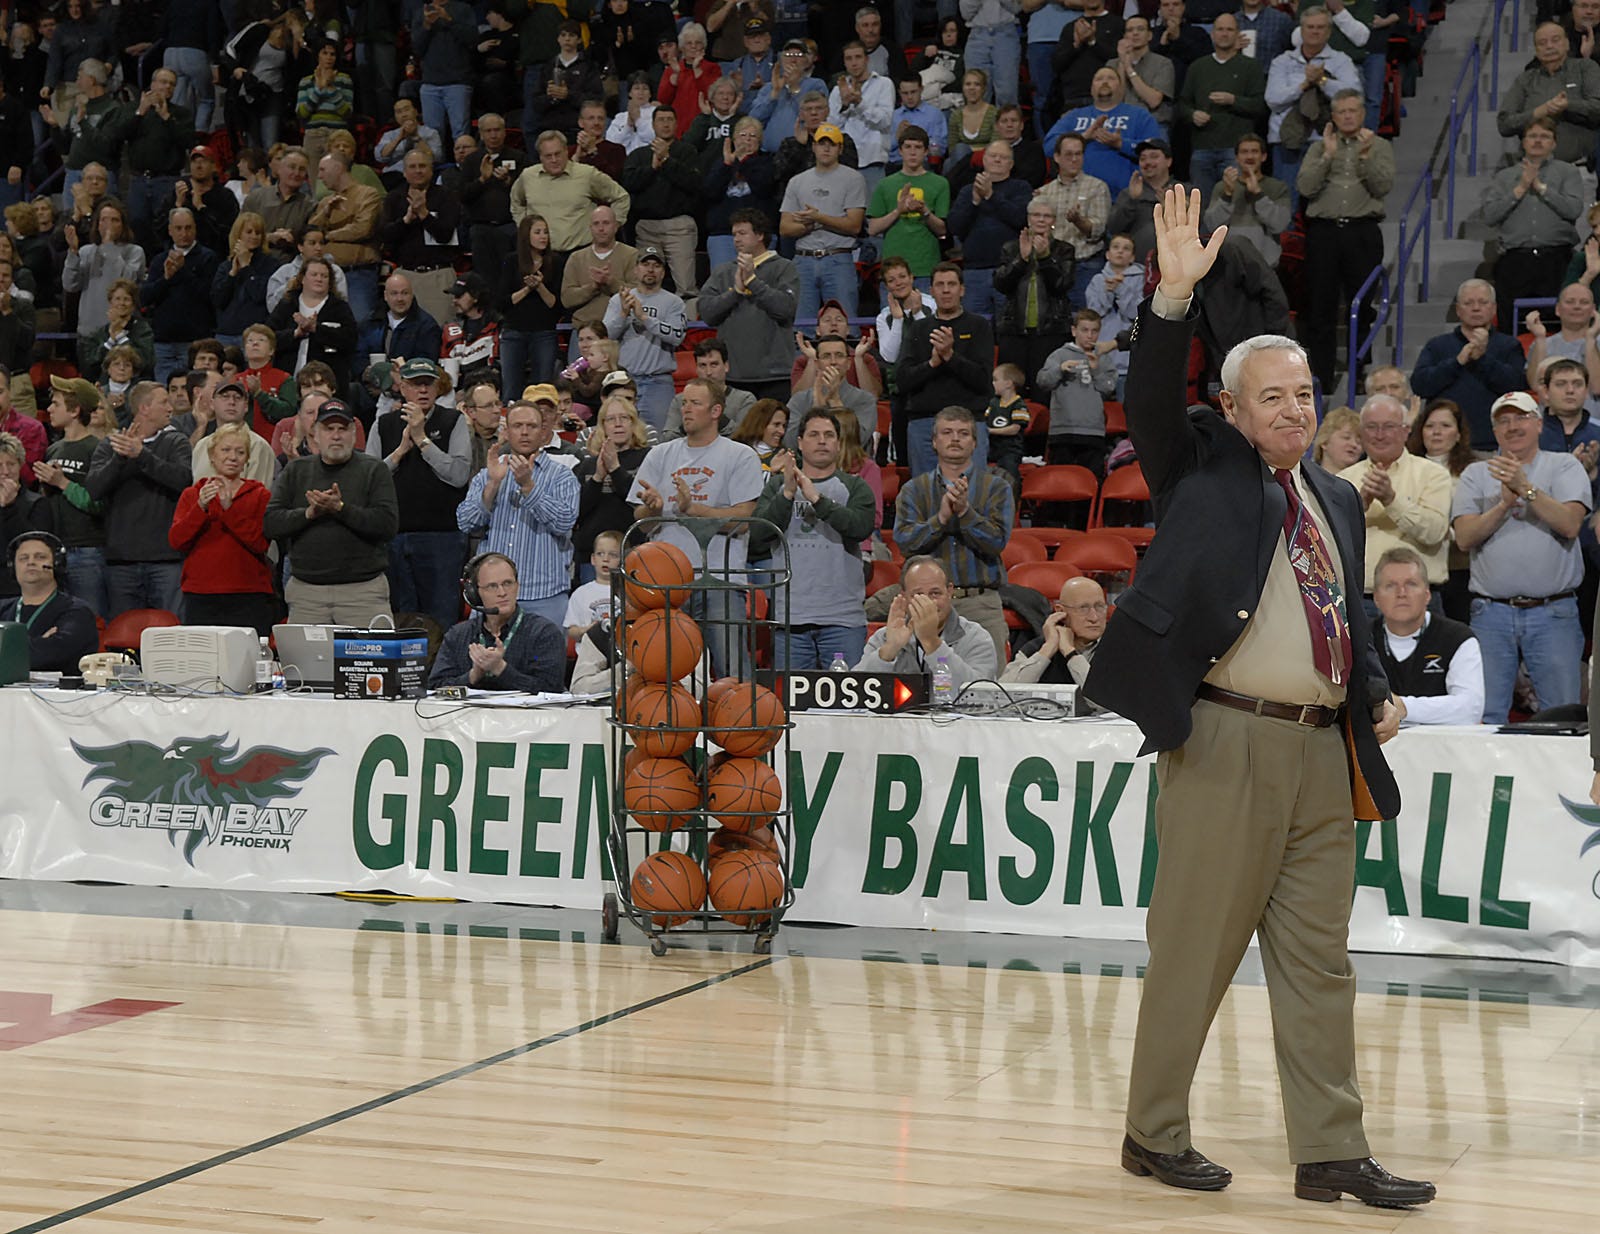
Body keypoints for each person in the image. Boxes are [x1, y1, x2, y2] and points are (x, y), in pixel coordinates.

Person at [1084, 187, 1432, 1210]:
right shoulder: (1200, 467)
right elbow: (1151, 397)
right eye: (1270, 397)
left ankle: (1330, 1149)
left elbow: (1349, 616)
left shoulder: (1330, 493)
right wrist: (1171, 302)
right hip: (1227, 744)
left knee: (1321, 964)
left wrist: (1369, 691)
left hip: (1325, 755)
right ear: (1234, 410)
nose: (1291, 409)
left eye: (1301, 393)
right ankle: (1153, 1134)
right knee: (1192, 953)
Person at [1451, 390, 1591, 723]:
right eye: (1503, 420)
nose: (1513, 426)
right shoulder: (1475, 474)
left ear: (1540, 424)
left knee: (1562, 716)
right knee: (1484, 715)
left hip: (1553, 612)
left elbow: (1571, 524)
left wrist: (1525, 489)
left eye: (1521, 418)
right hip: (1491, 614)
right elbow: (1465, 538)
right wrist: (1502, 505)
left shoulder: (1564, 465)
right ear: (1495, 431)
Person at [629, 376, 765, 676]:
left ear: (715, 411)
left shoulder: (739, 455)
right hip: (666, 585)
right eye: (684, 403)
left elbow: (743, 521)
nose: (686, 409)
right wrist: (652, 509)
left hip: (721, 582)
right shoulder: (660, 454)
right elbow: (641, 520)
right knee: (663, 673)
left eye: (695, 403)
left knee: (733, 672)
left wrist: (693, 509)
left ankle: (739, 722)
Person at [749, 406, 876, 669]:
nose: (821, 441)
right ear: (799, 442)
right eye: (814, 434)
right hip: (790, 619)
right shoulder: (776, 486)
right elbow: (759, 535)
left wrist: (817, 499)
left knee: (847, 708)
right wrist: (787, 495)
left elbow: (860, 527)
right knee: (792, 709)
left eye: (829, 435)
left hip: (842, 621)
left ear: (839, 444)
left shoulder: (854, 487)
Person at [893, 405, 1013, 662]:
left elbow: (996, 542)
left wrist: (966, 513)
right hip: (925, 605)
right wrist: (942, 519)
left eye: (963, 433)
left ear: (974, 443)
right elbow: (906, 543)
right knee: (919, 682)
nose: (955, 438)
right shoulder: (914, 490)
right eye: (947, 432)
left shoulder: (997, 488)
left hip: (981, 602)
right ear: (934, 442)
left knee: (989, 689)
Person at [264, 398, 399, 627]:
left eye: (342, 428)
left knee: (369, 663)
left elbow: (387, 525)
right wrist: (308, 514)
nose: (336, 436)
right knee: (303, 663)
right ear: (315, 434)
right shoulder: (296, 470)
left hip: (362, 594)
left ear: (354, 434)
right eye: (328, 429)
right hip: (307, 595)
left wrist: (340, 509)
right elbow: (271, 523)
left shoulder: (374, 469)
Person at [1296, 88, 1395, 396]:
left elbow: (1383, 186)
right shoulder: (1318, 148)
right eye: (1342, 112)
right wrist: (1327, 155)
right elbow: (1305, 187)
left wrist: (1364, 158)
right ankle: (1321, 379)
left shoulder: (1379, 146)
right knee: (1321, 308)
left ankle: (1359, 372)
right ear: (1334, 117)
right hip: (1324, 233)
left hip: (1362, 232)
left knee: (1362, 305)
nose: (1349, 116)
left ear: (1363, 114)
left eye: (1354, 110)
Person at [456, 392, 581, 628]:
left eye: (531, 426)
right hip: (493, 595)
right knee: (487, 662)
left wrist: (528, 487)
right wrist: (492, 485)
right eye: (517, 426)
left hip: (545, 594)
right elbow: (465, 522)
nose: (524, 432)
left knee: (544, 664)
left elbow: (565, 522)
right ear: (507, 431)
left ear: (543, 431)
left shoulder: (562, 475)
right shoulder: (489, 474)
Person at [367, 357, 472, 627]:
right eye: (415, 384)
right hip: (394, 538)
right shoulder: (383, 424)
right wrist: (401, 451)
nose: (423, 390)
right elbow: (369, 479)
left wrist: (423, 440)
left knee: (441, 619)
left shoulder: (453, 421)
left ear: (438, 388)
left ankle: (440, 670)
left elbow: (459, 476)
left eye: (428, 384)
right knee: (400, 619)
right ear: (402, 388)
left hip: (442, 538)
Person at [80, 379, 192, 615]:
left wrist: (142, 455)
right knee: (123, 637)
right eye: (164, 402)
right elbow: (94, 488)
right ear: (144, 408)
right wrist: (120, 459)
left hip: (166, 561)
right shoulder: (111, 445)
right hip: (122, 562)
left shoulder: (176, 441)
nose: (170, 408)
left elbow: (183, 480)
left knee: (173, 636)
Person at [1337, 395, 1454, 606]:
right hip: (1360, 601)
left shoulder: (1433, 474)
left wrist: (1391, 500)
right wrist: (1359, 507)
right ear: (1362, 433)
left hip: (1419, 600)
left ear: (1405, 430)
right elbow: (1331, 541)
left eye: (1389, 426)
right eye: (1372, 427)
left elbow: (1434, 532)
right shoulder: (1343, 479)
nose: (1380, 435)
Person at [168, 422, 277, 635]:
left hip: (248, 593)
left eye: (240, 451)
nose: (232, 457)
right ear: (212, 456)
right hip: (201, 593)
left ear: (247, 459)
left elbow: (260, 542)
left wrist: (229, 510)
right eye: (225, 450)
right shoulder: (193, 495)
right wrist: (200, 508)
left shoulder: (260, 495)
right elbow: (177, 541)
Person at [1482, 119, 1585, 338]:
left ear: (1554, 143)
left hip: (1558, 259)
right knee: (1510, 325)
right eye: (1532, 136)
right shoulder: (1505, 177)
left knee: (1563, 322)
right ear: (1523, 142)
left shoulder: (1567, 173)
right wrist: (1520, 189)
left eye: (1545, 136)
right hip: (1516, 259)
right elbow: (1490, 215)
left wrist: (1540, 188)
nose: (1538, 141)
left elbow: (1573, 209)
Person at [1369, 545, 1484, 726]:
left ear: (1428, 594)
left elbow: (1471, 710)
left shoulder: (1458, 638)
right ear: (1376, 598)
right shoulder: (1359, 640)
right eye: (1390, 586)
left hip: (1443, 748)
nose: (1401, 593)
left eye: (1411, 584)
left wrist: (1403, 706)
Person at [898, 263, 995, 476]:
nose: (946, 290)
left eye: (951, 284)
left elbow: (983, 381)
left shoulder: (979, 326)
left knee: (972, 496)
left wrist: (950, 356)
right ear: (931, 291)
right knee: (925, 497)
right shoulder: (918, 328)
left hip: (969, 423)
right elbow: (903, 381)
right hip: (924, 424)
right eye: (939, 285)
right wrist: (933, 363)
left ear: (962, 289)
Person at [1411, 280, 1529, 450]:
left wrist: (1482, 359)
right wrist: (1457, 362)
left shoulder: (1509, 345)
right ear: (1458, 310)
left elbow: (1515, 386)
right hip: (1445, 447)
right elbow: (1420, 386)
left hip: (1493, 445)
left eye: (1483, 302)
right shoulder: (1437, 345)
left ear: (1494, 309)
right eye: (1468, 303)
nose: (1476, 308)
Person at [698, 209, 800, 403]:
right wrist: (735, 291)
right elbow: (707, 312)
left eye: (742, 233)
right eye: (734, 234)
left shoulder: (784, 268)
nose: (736, 239)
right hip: (733, 376)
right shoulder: (724, 271)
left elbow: (785, 309)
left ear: (760, 235)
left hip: (775, 377)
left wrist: (752, 281)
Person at [428, 551, 567, 692]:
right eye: (492, 586)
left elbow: (551, 689)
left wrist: (501, 669)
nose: (502, 592)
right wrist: (473, 676)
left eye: (507, 583)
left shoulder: (544, 633)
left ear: (517, 586)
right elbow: (435, 687)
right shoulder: (458, 635)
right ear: (475, 593)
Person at [1264, 7, 1358, 214]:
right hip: (1286, 142)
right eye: (1310, 27)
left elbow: (1352, 97)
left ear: (1329, 31)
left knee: (1326, 204)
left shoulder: (1341, 61)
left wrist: (1323, 81)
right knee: (1285, 203)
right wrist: (1304, 85)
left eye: (1320, 27)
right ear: (1301, 29)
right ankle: (1286, 244)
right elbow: (1273, 99)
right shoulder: (1282, 62)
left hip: (1325, 142)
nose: (1314, 32)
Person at [854, 554, 998, 682]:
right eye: (918, 595)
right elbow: (856, 690)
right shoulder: (884, 638)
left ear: (949, 591)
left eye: (935, 593)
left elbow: (979, 696)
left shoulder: (976, 637)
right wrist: (889, 650)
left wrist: (932, 643)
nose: (928, 603)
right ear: (904, 596)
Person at [32, 376, 108, 616]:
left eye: (56, 403)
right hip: (55, 549)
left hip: (86, 549)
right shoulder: (54, 448)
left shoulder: (97, 449)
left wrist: (62, 482)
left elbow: (99, 502)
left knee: (90, 618)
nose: (49, 409)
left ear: (75, 410)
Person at [779, 124, 868, 320]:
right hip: (803, 260)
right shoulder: (797, 181)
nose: (826, 149)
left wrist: (818, 218)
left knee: (844, 324)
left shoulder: (853, 179)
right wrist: (812, 224)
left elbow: (854, 225)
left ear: (840, 149)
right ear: (813, 147)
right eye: (821, 143)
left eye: (832, 144)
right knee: (802, 328)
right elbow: (785, 228)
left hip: (838, 259)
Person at [1177, 13, 1268, 203]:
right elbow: (1182, 104)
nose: (1224, 34)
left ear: (1237, 34)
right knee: (1201, 206)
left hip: (1235, 150)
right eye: (1220, 29)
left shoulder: (1250, 67)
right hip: (1202, 149)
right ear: (1212, 34)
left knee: (1237, 204)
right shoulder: (1198, 67)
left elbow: (1259, 105)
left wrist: (1233, 100)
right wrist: (1193, 115)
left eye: (1229, 29)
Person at [619, 105, 703, 304]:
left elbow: (694, 183)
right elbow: (628, 183)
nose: (665, 124)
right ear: (653, 125)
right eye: (661, 120)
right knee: (645, 283)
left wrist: (666, 160)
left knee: (686, 286)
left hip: (679, 226)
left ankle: (690, 330)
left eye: (669, 120)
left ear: (676, 124)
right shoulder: (639, 155)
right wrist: (652, 168)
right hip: (647, 227)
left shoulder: (687, 152)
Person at [1043, 67, 1164, 202]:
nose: (1104, 82)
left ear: (1121, 87)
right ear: (1091, 89)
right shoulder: (1074, 116)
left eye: (1111, 78)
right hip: (1078, 197)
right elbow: (1048, 147)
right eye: (1099, 79)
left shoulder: (1140, 115)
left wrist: (1121, 144)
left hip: (1125, 199)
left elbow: (1156, 151)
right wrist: (1083, 138)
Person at [602, 247, 688, 433]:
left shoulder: (674, 303)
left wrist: (644, 318)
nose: (650, 269)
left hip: (658, 382)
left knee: (659, 439)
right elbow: (605, 336)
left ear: (663, 272)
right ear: (636, 269)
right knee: (620, 435)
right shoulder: (619, 300)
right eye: (645, 264)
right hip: (624, 381)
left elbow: (677, 337)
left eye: (656, 266)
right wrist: (623, 314)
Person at [1497, 22, 1600, 173]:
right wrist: (1539, 112)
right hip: (1533, 171)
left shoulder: (1585, 68)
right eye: (1542, 43)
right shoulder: (1525, 80)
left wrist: (1568, 105)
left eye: (1555, 40)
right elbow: (1504, 124)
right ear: (1536, 51)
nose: (1549, 46)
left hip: (1579, 170)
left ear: (1567, 44)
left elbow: (1597, 107)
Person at [948, 140, 1033, 320]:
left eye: (1003, 157)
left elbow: (1020, 219)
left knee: (1010, 328)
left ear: (1011, 164)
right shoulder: (967, 191)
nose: (997, 160)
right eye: (993, 156)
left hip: (1010, 271)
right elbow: (955, 227)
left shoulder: (1021, 188)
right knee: (974, 330)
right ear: (984, 160)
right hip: (974, 272)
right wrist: (975, 202)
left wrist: (991, 196)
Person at [379, 147, 463, 328]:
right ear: (404, 171)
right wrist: (406, 220)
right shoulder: (395, 198)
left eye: (423, 166)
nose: (418, 170)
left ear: (431, 170)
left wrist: (424, 214)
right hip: (406, 275)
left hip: (438, 276)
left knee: (440, 330)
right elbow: (386, 236)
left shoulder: (446, 196)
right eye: (413, 166)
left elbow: (446, 234)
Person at [574, 397, 652, 582]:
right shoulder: (587, 465)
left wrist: (616, 469)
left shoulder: (648, 459)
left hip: (634, 554)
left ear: (634, 423)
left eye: (624, 418)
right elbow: (576, 511)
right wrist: (598, 478)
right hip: (592, 559)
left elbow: (640, 501)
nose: (618, 424)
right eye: (611, 419)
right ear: (602, 426)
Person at [140, 207, 221, 384]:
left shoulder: (208, 258)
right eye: (178, 228)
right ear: (170, 230)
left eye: (188, 228)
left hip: (194, 343)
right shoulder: (159, 260)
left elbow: (209, 296)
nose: (184, 233)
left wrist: (182, 270)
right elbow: (145, 297)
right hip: (163, 342)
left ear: (195, 229)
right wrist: (167, 278)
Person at [0, 531, 98, 672]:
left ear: (57, 564)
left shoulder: (76, 611)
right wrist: (39, 643)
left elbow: (49, 655)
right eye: (23, 558)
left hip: (56, 693)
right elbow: (38, 653)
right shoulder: (3, 608)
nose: (31, 562)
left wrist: (6, 648)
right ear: (12, 567)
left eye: (40, 557)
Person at [1035, 132, 1113, 308]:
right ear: (1057, 157)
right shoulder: (1044, 192)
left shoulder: (1097, 187)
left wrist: (1078, 220)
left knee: (1086, 319)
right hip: (1053, 265)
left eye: (1078, 154)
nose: (1074, 159)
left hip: (1086, 265)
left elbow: (1098, 231)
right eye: (1069, 154)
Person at [867, 126, 951, 286]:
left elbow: (942, 230)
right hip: (892, 272)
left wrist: (924, 210)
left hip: (926, 268)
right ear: (900, 151)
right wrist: (898, 211)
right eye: (908, 147)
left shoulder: (940, 183)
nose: (913, 152)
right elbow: (873, 229)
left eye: (918, 147)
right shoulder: (885, 185)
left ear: (926, 151)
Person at [1038, 308, 1119, 473]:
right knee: (1061, 482)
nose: (1090, 335)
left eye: (1094, 331)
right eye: (1084, 330)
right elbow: (1043, 382)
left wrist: (1096, 370)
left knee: (1090, 481)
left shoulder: (1103, 358)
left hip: (1093, 431)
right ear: (1074, 331)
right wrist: (1059, 369)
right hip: (1063, 430)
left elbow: (1109, 388)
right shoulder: (1059, 355)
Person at [1000, 574, 1108, 695]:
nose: (1094, 617)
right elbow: (1002, 694)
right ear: (1061, 612)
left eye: (1100, 607)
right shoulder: (1036, 647)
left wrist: (1070, 653)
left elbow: (1105, 700)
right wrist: (1049, 648)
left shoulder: (1118, 648)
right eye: (1083, 608)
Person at [269, 256, 359, 394]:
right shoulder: (287, 304)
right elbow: (269, 337)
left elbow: (350, 339)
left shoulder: (339, 307)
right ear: (303, 279)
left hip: (327, 384)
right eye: (314, 274)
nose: (319, 279)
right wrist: (295, 334)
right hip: (288, 382)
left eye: (324, 276)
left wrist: (316, 328)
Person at [1202, 134, 1292, 266]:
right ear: (1237, 158)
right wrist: (1227, 195)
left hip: (1266, 264)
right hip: (1230, 263)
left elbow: (1280, 225)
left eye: (1254, 152)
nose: (1249, 157)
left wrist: (1259, 195)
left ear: (1264, 157)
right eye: (1244, 152)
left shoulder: (1277, 187)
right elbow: (1211, 225)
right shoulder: (1222, 187)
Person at [829, 40, 895, 190]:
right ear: (844, 63)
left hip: (873, 160)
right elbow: (832, 128)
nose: (854, 63)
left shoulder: (884, 84)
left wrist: (860, 103)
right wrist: (845, 105)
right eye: (849, 58)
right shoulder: (837, 90)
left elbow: (885, 121)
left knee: (872, 212)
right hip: (844, 162)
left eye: (858, 57)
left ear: (867, 59)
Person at [663, 339, 756, 438]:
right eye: (702, 365)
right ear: (696, 369)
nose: (708, 372)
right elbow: (667, 439)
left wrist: (715, 417)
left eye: (714, 365)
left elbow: (745, 439)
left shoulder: (744, 400)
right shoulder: (681, 400)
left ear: (726, 366)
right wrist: (690, 421)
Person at [565, 528, 622, 639]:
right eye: (600, 554)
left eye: (613, 555)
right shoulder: (581, 593)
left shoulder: (630, 593)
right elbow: (571, 630)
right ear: (593, 559)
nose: (605, 559)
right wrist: (585, 631)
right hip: (589, 652)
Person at [986, 362, 1030, 489]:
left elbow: (1014, 429)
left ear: (1008, 383)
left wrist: (990, 431)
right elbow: (985, 419)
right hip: (992, 448)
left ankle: (1013, 494)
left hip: (1009, 450)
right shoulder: (993, 403)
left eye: (995, 380)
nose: (993, 383)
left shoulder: (1018, 404)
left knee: (1009, 469)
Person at [1311, 404, 1364, 471]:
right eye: (1346, 437)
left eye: (1359, 442)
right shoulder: (1305, 478)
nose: (1354, 444)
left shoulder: (1368, 479)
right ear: (1324, 442)